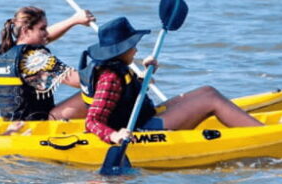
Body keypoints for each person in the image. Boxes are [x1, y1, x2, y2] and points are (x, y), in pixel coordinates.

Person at [81, 17, 263, 145]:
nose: (135, 50)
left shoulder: (119, 68)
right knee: (211, 101)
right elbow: (92, 121)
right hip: (137, 131)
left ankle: (258, 128)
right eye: (132, 46)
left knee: (208, 91)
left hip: (144, 117)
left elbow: (126, 96)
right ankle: (265, 134)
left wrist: (145, 75)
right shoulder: (109, 79)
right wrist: (113, 136)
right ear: (120, 50)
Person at [0, 6, 95, 121]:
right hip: (39, 123)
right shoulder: (36, 59)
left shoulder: (5, 50)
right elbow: (84, 82)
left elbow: (45, 37)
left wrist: (74, 20)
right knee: (99, 90)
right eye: (42, 28)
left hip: (15, 121)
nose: (46, 33)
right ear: (25, 30)